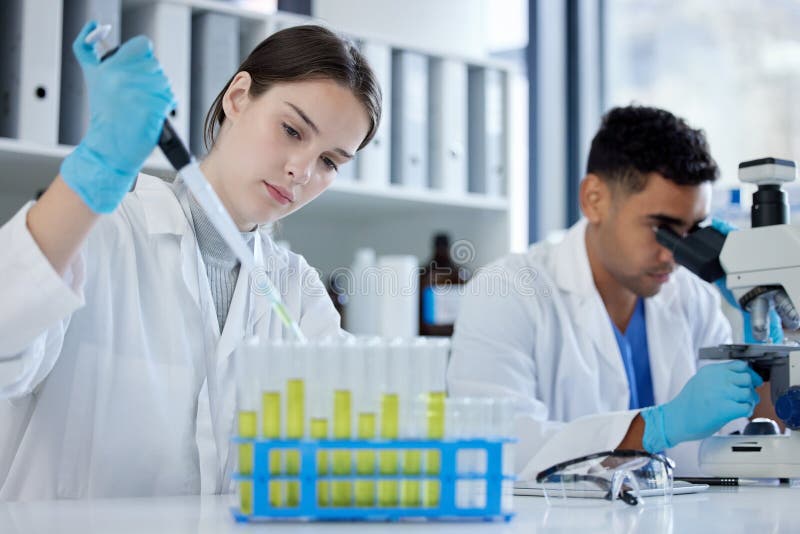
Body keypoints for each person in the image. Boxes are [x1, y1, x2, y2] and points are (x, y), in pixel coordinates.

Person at [0, 21, 380, 500]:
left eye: (330, 161)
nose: (301, 170)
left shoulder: (294, 289)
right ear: (238, 98)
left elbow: (351, 428)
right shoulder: (100, 233)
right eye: (291, 129)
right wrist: (96, 165)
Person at [448, 105, 769, 478]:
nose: (674, 255)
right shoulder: (507, 290)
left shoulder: (692, 298)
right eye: (661, 228)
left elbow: (744, 439)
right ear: (594, 199)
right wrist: (656, 427)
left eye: (691, 233)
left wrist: (762, 317)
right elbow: (499, 446)